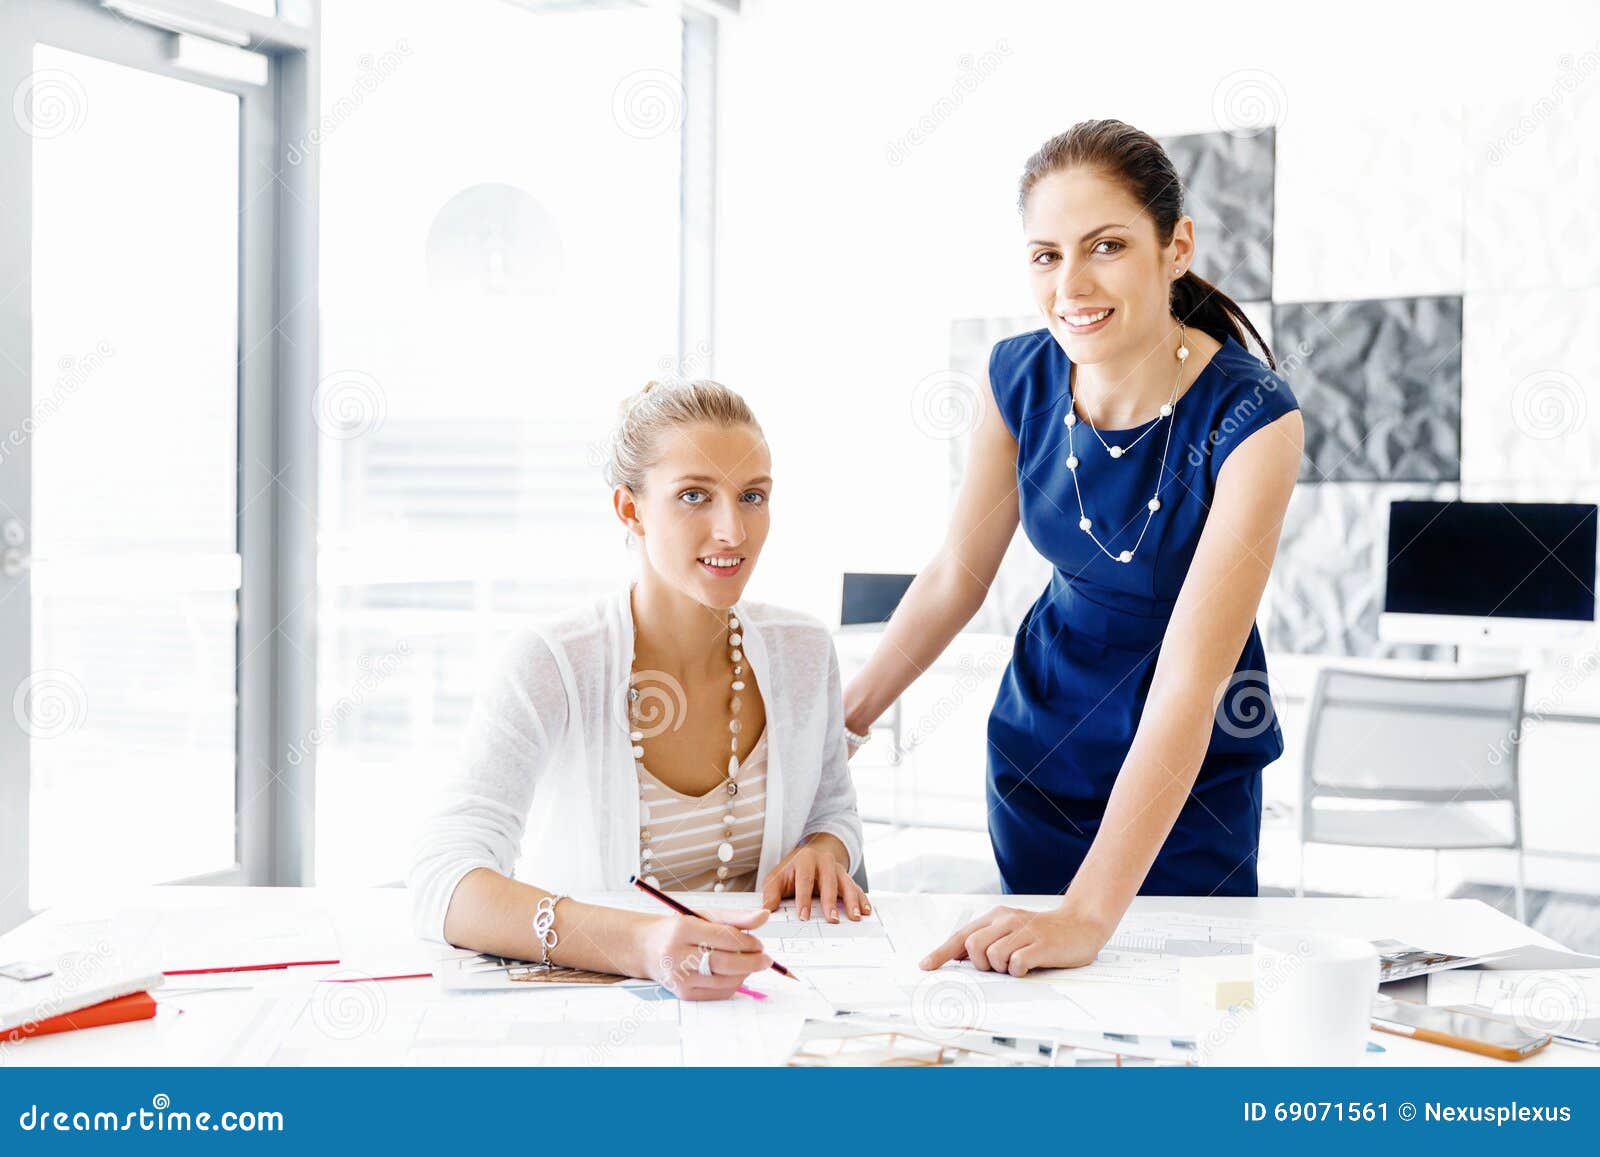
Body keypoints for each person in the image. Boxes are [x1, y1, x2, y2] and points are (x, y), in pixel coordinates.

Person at [842, 119, 1304, 976]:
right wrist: (839, 722)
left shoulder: (1253, 420)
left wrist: (1089, 914)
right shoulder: (1017, 374)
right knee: (1043, 1027)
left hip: (1186, 778)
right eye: (1046, 255)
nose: (1072, 284)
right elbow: (956, 574)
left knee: (1188, 1019)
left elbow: (1190, 686)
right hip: (1041, 751)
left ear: (1176, 247)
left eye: (1106, 246)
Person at [409, 379, 867, 1000]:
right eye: (694, 496)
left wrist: (824, 849)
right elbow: (443, 880)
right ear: (630, 509)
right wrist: (642, 946)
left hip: (753, 1002)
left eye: (752, 496)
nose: (732, 529)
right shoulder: (553, 663)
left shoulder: (803, 650)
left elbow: (832, 812)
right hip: (592, 1009)